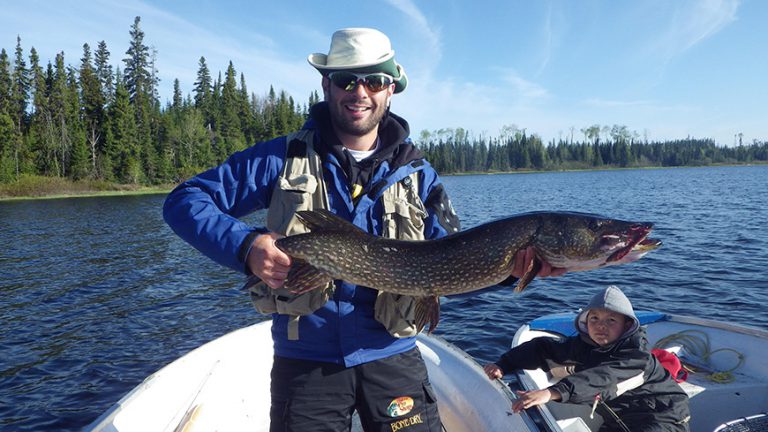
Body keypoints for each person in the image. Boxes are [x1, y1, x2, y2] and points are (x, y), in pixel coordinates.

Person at [164, 27, 560, 432]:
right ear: (326, 85)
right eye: (346, 80)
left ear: (391, 90)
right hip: (306, 361)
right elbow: (184, 201)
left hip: (393, 354)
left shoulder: (419, 175)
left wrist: (511, 269)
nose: (359, 92)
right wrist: (246, 245)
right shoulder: (278, 159)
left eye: (373, 81)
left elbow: (450, 265)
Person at [483, 285, 691, 432]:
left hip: (664, 419)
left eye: (611, 320)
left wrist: (553, 392)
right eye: (594, 319)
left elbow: (603, 378)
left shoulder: (637, 357)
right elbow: (543, 348)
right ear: (585, 321)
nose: (601, 326)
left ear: (627, 326)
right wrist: (504, 364)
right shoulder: (585, 346)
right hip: (618, 419)